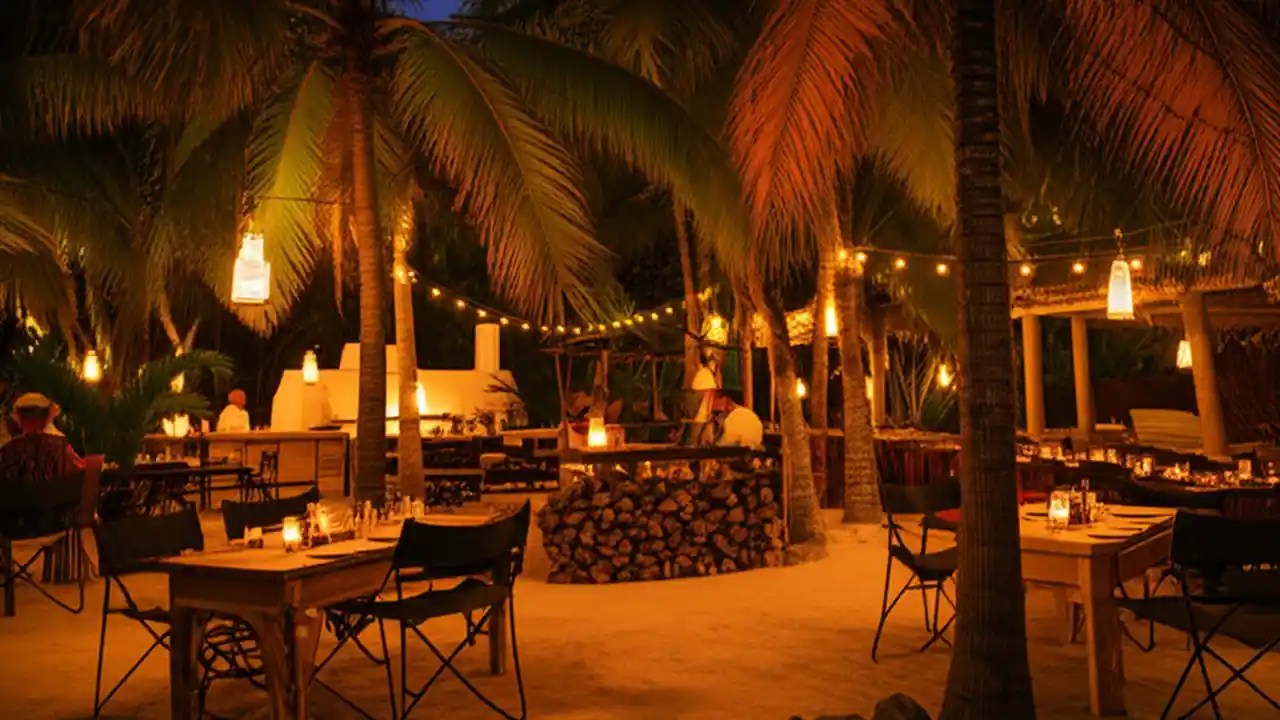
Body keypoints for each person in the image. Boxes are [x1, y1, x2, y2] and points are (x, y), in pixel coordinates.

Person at [0, 393, 85, 480]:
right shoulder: (62, 447)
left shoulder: (9, 449)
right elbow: (80, 472)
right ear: (47, 417)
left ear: (19, 418)